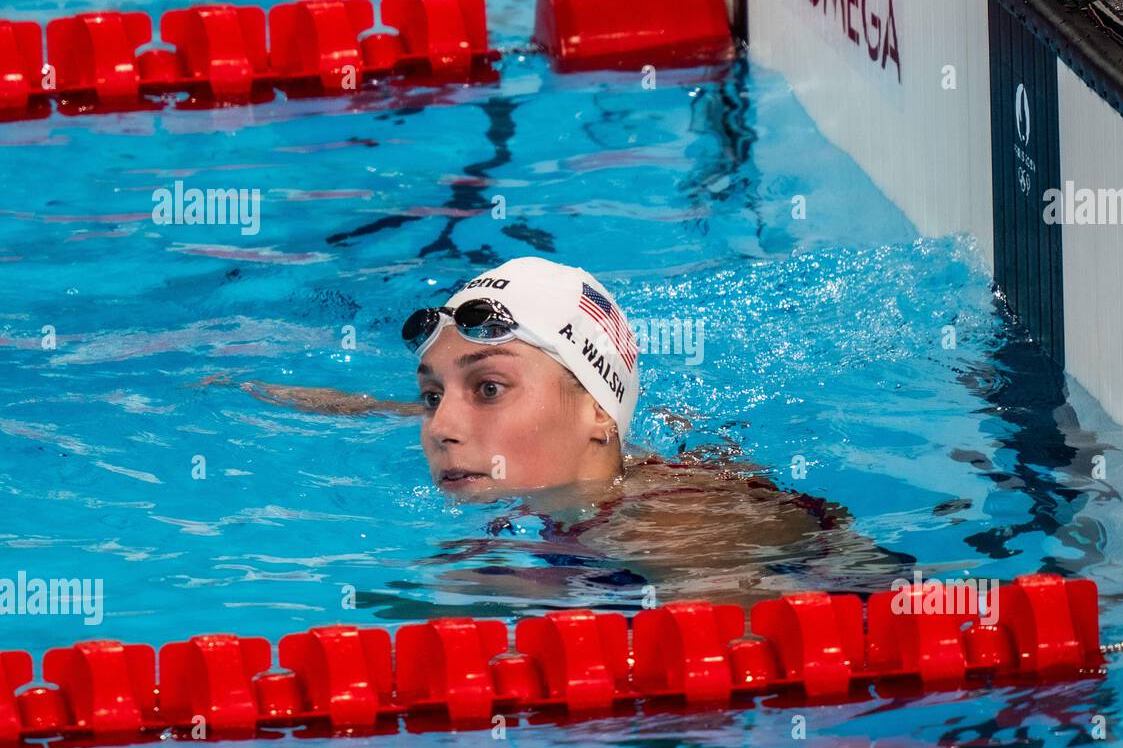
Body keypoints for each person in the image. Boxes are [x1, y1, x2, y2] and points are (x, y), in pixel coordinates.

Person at [225, 257, 910, 604]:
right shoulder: (565, 469)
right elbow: (393, 411)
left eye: (487, 388)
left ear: (596, 413)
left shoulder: (671, 528)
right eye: (434, 396)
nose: (441, 428)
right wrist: (258, 389)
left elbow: (732, 690)